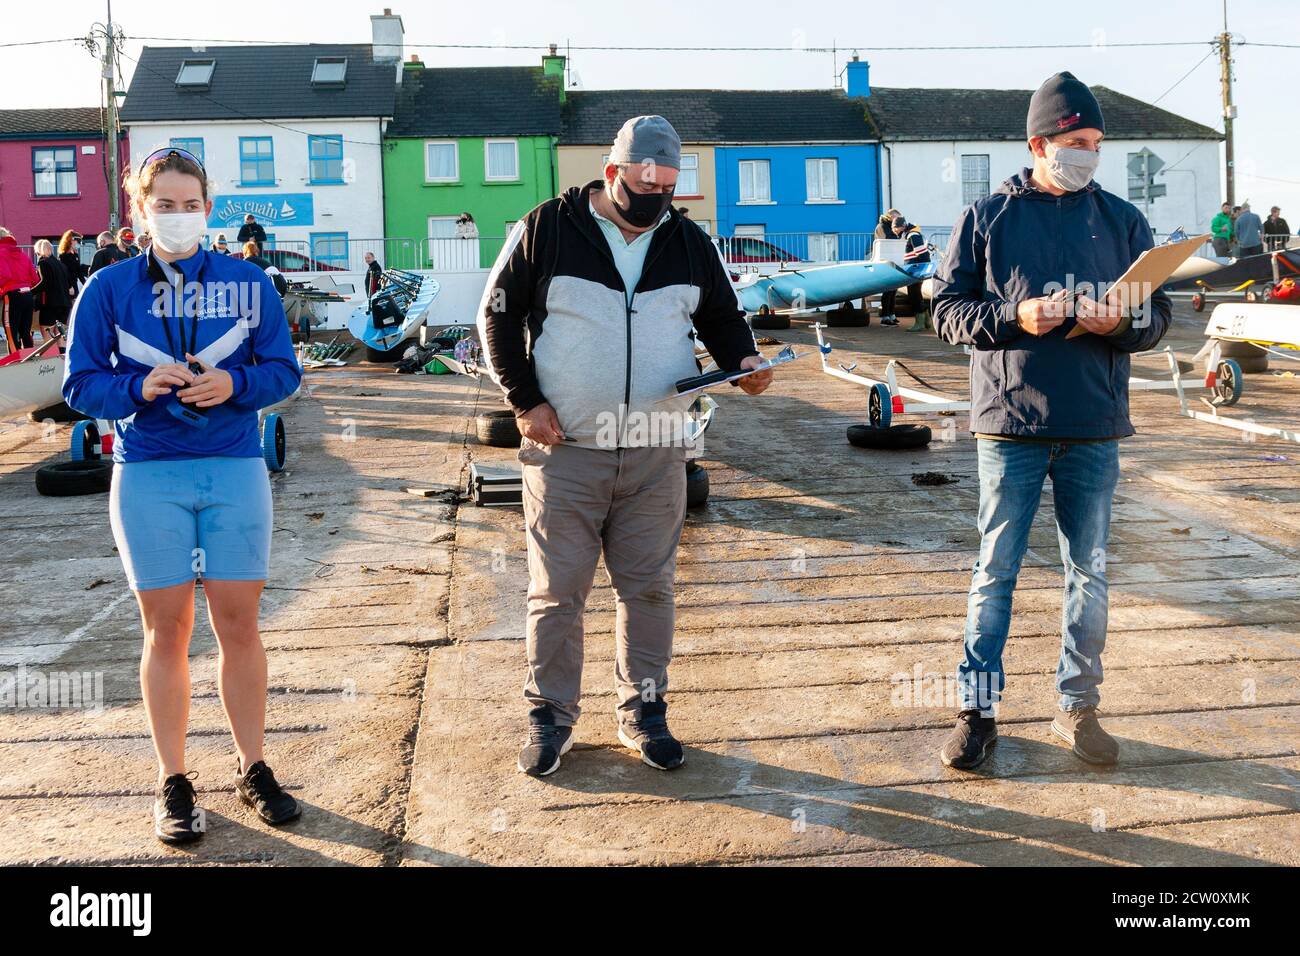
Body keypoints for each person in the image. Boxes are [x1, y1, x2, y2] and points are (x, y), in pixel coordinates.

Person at [481, 115, 774, 777]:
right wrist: (525, 401)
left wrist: (747, 362)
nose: (653, 202)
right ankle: (549, 719)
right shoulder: (546, 228)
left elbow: (725, 321)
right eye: (643, 186)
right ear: (612, 175)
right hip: (569, 449)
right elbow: (495, 314)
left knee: (649, 591)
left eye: (667, 189)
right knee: (557, 593)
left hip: (656, 449)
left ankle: (644, 710)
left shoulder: (689, 242)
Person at [62, 146, 303, 845]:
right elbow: (80, 385)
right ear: (140, 211)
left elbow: (283, 370)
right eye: (161, 204)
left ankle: (253, 765)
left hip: (232, 467)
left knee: (239, 625)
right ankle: (173, 777)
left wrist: (237, 386)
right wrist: (137, 387)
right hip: (149, 473)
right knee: (166, 630)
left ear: (209, 206)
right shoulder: (106, 288)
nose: (176, 215)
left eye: (187, 203)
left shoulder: (248, 281)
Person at [931, 72, 1172, 770]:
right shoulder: (986, 218)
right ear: (1039, 143)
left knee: (1088, 574)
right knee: (994, 570)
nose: (1088, 155)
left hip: (1095, 427)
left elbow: (1156, 321)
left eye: (1096, 144)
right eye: (1076, 142)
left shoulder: (1125, 222)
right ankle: (976, 711)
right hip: (1009, 427)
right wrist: (1015, 317)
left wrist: (1121, 320)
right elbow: (945, 314)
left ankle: (1079, 704)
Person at [878, 215, 929, 327]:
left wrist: (920, 271)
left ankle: (919, 323)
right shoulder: (908, 235)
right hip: (913, 270)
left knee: (914, 296)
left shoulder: (913, 235)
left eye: (894, 228)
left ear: (901, 226)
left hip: (915, 270)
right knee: (916, 295)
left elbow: (923, 255)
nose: (893, 230)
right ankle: (925, 322)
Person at [0, 226, 40, 350]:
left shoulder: (1, 252)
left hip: (12, 296)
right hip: (27, 295)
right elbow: (36, 279)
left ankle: (15, 362)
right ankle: (29, 359)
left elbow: (4, 275)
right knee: (25, 332)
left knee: (11, 333)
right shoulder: (22, 254)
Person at [31, 238, 71, 346]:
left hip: (51, 304)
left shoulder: (43, 262)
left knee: (47, 333)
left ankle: (50, 359)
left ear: (39, 250)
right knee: (60, 335)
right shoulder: (61, 265)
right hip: (65, 304)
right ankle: (62, 358)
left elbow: (45, 282)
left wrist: (31, 292)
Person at [58, 231, 87, 298]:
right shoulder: (63, 256)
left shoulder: (75, 255)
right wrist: (70, 286)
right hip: (67, 286)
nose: (79, 243)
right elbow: (64, 272)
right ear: (71, 240)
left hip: (74, 284)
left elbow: (79, 271)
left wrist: (85, 283)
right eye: (78, 241)